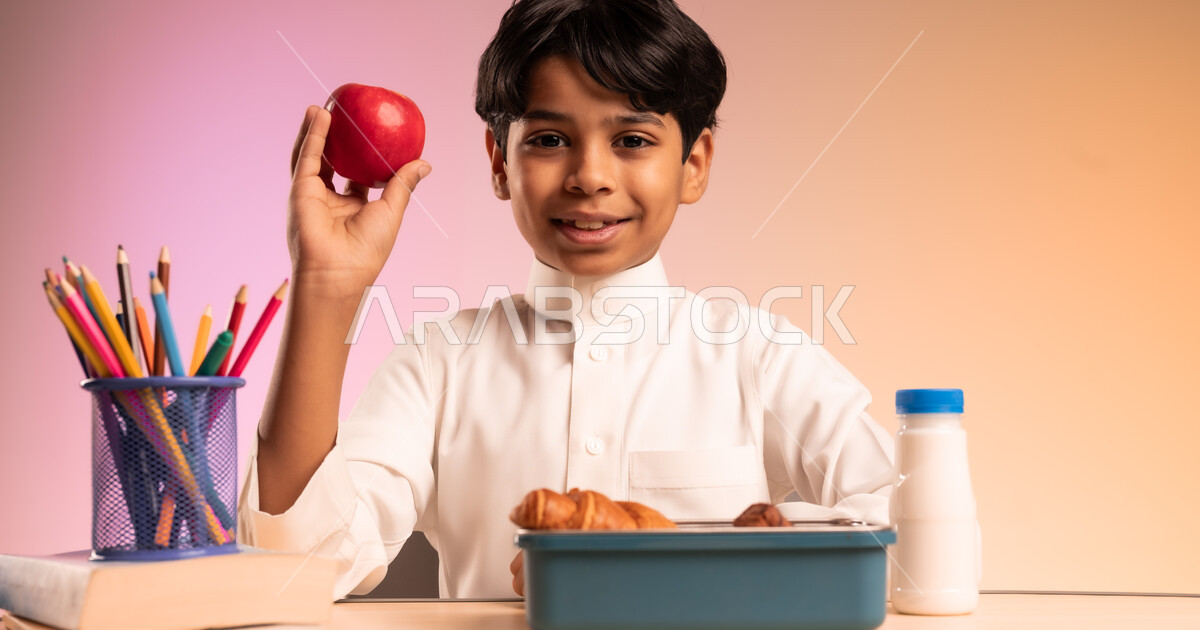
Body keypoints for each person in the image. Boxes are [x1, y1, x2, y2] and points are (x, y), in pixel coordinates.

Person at [237, 0, 894, 599]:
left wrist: (692, 558)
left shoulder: (761, 358)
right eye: (550, 140)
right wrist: (326, 288)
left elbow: (899, 522)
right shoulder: (439, 364)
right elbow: (296, 568)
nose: (589, 177)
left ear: (695, 164)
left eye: (632, 140)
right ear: (500, 162)